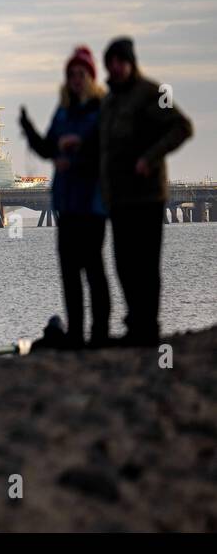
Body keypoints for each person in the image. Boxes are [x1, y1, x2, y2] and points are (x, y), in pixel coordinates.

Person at [96, 37, 193, 347]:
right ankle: (135, 321)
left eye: (121, 61)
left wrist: (149, 158)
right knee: (123, 263)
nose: (116, 66)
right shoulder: (109, 101)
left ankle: (147, 326)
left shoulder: (151, 92)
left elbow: (181, 126)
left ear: (131, 63)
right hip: (119, 198)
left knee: (146, 264)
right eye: (111, 61)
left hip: (147, 197)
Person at [18, 45, 111, 347]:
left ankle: (99, 334)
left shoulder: (101, 109)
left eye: (81, 73)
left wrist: (76, 152)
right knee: (69, 274)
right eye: (71, 74)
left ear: (91, 76)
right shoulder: (63, 111)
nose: (75, 78)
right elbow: (48, 148)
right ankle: (75, 335)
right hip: (67, 204)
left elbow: (105, 151)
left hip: (92, 203)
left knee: (94, 270)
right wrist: (29, 130)